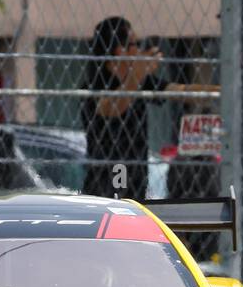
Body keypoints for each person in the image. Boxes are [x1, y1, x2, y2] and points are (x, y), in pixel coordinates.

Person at [80, 16, 216, 200]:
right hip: (104, 183)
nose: (140, 50)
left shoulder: (140, 81)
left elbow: (179, 90)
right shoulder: (94, 84)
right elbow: (110, 109)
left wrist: (223, 91)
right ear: (120, 51)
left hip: (136, 182)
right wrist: (137, 74)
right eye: (135, 44)